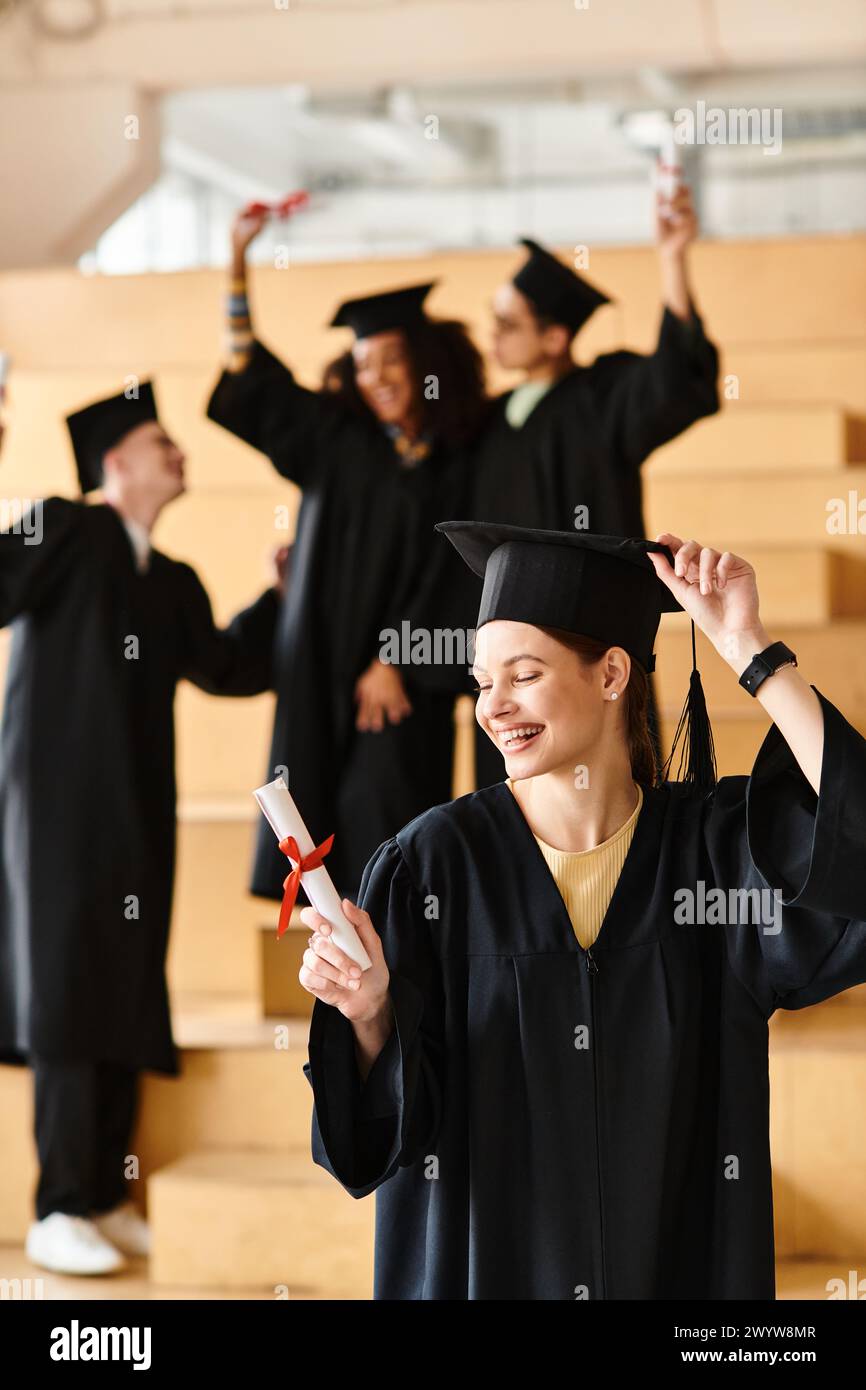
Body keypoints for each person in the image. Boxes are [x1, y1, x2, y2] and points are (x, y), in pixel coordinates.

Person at [298, 521, 866, 1300]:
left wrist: (752, 652)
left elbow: (858, 844)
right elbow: (374, 1145)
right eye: (480, 683)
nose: (492, 708)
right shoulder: (431, 868)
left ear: (611, 676)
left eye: (523, 676)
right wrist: (368, 1017)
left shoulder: (715, 857)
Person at [0, 383, 282, 1276]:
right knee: (68, 988)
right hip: (52, 815)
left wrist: (284, 593)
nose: (180, 452)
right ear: (114, 462)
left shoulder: (171, 581)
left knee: (122, 981)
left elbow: (231, 664)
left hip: (131, 818)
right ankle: (57, 1204)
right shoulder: (66, 529)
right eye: (162, 441)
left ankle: (105, 1196)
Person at [206, 207, 486, 898]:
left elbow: (463, 576)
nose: (379, 376)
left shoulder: (465, 456)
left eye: (393, 360)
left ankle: (401, 991)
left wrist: (399, 656)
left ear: (427, 364)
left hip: (401, 690)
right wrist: (238, 259)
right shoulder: (336, 440)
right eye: (364, 364)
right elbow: (249, 373)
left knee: (389, 837)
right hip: (323, 676)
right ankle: (341, 991)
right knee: (316, 835)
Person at [469, 181, 719, 785]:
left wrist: (671, 259)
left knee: (616, 783)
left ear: (555, 338)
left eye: (508, 322)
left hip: (591, 634)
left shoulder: (602, 397)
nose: (493, 335)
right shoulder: (487, 422)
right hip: (511, 644)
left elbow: (673, 380)